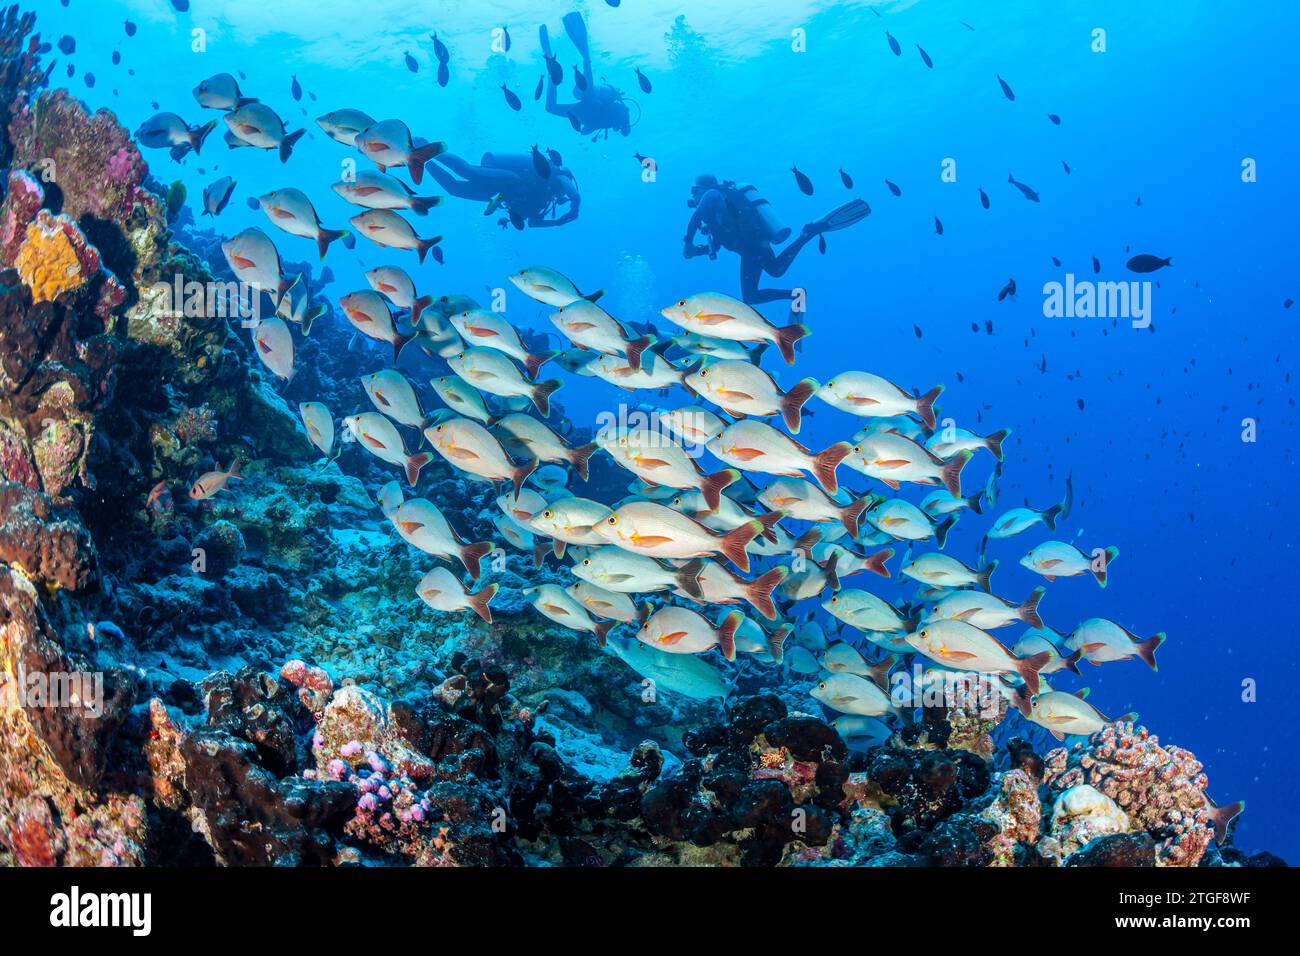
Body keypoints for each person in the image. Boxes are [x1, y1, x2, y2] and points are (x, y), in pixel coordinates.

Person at [682, 175, 871, 305]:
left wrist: (687, 242)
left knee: (750, 296)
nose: (692, 195)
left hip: (751, 245)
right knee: (776, 270)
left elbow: (695, 217)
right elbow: (715, 246)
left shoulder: (711, 194)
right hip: (755, 244)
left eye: (693, 190)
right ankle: (808, 235)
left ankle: (794, 290)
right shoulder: (716, 214)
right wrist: (697, 251)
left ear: (703, 187)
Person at [425, 151, 580, 230]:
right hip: (510, 179)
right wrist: (574, 209)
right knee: (469, 171)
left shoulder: (545, 200)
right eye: (563, 195)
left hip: (500, 195)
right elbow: (574, 194)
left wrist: (557, 222)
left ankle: (423, 161)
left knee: (455, 189)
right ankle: (429, 149)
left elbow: (533, 223)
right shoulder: (559, 176)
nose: (561, 197)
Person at [540, 12, 634, 139]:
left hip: (586, 109)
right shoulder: (613, 118)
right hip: (594, 103)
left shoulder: (607, 122)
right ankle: (584, 60)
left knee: (551, 107)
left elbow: (587, 129)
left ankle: (553, 68)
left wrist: (586, 127)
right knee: (584, 88)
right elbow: (589, 127)